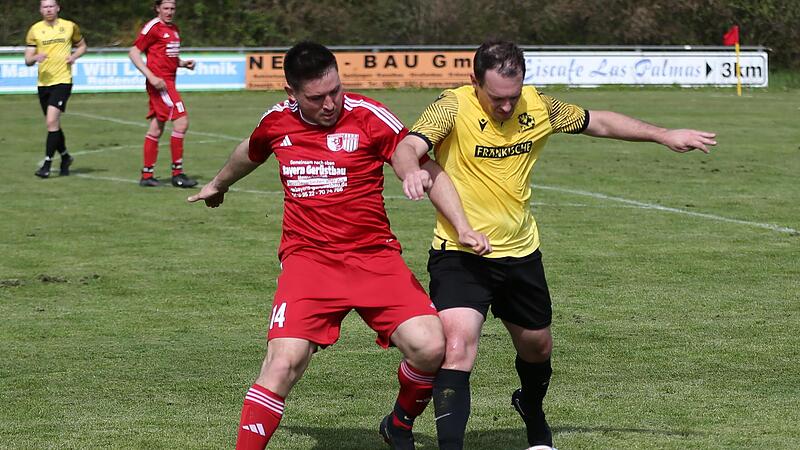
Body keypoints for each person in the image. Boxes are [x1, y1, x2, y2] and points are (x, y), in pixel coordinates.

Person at [392, 40, 717, 450]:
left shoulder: (538, 106)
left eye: (513, 97)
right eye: (497, 98)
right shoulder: (452, 106)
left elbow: (598, 121)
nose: (507, 107)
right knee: (456, 348)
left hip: (520, 252)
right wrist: (410, 173)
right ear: (474, 81)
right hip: (459, 252)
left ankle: (531, 407)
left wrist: (662, 134)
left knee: (537, 348)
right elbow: (409, 146)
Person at [187, 42, 489, 450]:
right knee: (281, 365)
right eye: (317, 97)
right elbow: (251, 151)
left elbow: (415, 159)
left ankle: (398, 424)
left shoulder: (368, 116)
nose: (330, 103)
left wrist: (461, 224)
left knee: (431, 346)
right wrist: (219, 183)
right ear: (292, 92)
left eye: (336, 90)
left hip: (373, 258)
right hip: (308, 263)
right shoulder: (277, 121)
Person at [129, 0, 197, 188]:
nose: (169, 12)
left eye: (172, 8)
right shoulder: (153, 27)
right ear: (157, 8)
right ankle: (178, 174)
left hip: (168, 81)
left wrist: (183, 63)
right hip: (161, 84)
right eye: (165, 8)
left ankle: (147, 175)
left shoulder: (174, 28)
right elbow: (134, 52)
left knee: (156, 127)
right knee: (182, 122)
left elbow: (167, 56)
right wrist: (151, 77)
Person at [25, 0, 86, 179]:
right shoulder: (35, 30)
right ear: (40, 10)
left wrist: (73, 56)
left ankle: (47, 164)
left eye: (51, 6)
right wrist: (36, 57)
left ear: (58, 8)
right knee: (54, 126)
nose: (49, 9)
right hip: (43, 83)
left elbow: (82, 46)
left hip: (63, 81)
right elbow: (27, 60)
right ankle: (66, 157)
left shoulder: (69, 26)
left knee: (51, 122)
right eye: (45, 6)